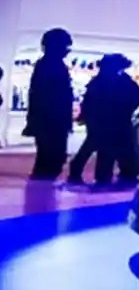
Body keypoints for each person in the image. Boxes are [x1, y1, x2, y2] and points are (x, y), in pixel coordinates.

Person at [84, 53, 139, 190]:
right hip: (120, 124)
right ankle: (124, 177)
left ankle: (106, 178)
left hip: (108, 124)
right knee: (123, 154)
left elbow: (89, 104)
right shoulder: (125, 82)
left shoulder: (98, 83)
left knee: (108, 154)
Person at [24, 28, 75, 181]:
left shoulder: (47, 65)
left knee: (50, 157)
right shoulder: (52, 66)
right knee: (51, 157)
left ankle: (41, 187)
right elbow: (50, 97)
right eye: (65, 46)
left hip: (50, 120)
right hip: (52, 120)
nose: (67, 50)